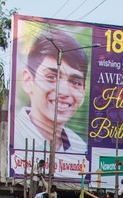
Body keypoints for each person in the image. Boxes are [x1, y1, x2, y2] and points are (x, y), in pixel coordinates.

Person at [11, 30, 87, 160]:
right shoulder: (13, 137)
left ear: (83, 91)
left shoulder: (80, 147)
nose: (63, 92)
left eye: (75, 82)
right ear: (28, 80)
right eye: (51, 77)